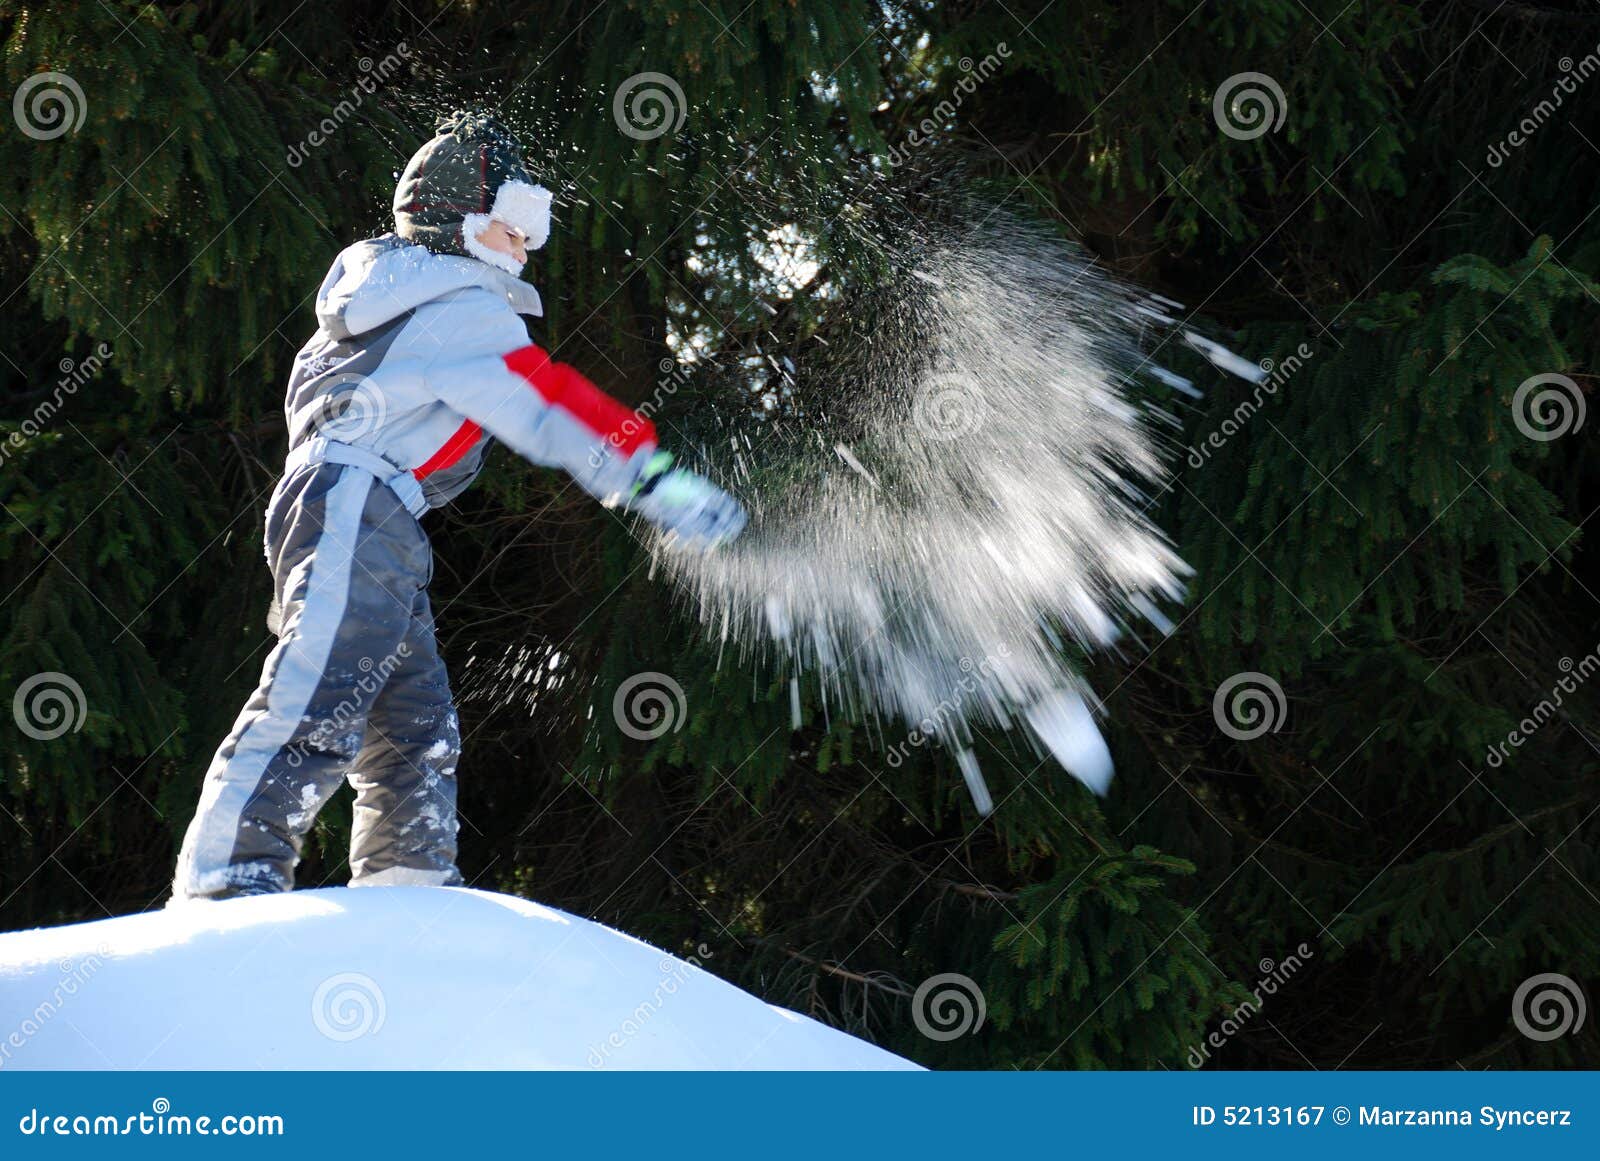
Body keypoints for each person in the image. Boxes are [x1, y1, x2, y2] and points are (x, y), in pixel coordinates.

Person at [171, 112, 744, 901]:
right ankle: (228, 877)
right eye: (519, 223)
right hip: (357, 505)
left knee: (414, 721)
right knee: (322, 685)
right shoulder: (458, 305)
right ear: (466, 224)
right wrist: (656, 480)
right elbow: (550, 404)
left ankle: (409, 886)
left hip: (371, 513)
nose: (528, 244)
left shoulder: (386, 300)